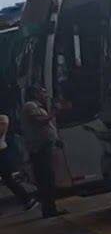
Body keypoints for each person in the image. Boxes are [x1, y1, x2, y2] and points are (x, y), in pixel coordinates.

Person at [19, 86, 65, 218]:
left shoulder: (38, 106)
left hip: (44, 146)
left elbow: (46, 128)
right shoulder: (30, 106)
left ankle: (50, 207)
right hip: (39, 149)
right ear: (35, 93)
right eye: (43, 92)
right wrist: (54, 113)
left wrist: (55, 139)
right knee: (46, 179)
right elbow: (40, 122)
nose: (45, 95)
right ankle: (49, 209)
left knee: (48, 179)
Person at [0, 114, 35, 214]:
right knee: (8, 179)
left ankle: (27, 199)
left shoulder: (3, 118)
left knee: (8, 179)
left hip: (1, 153)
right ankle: (27, 200)